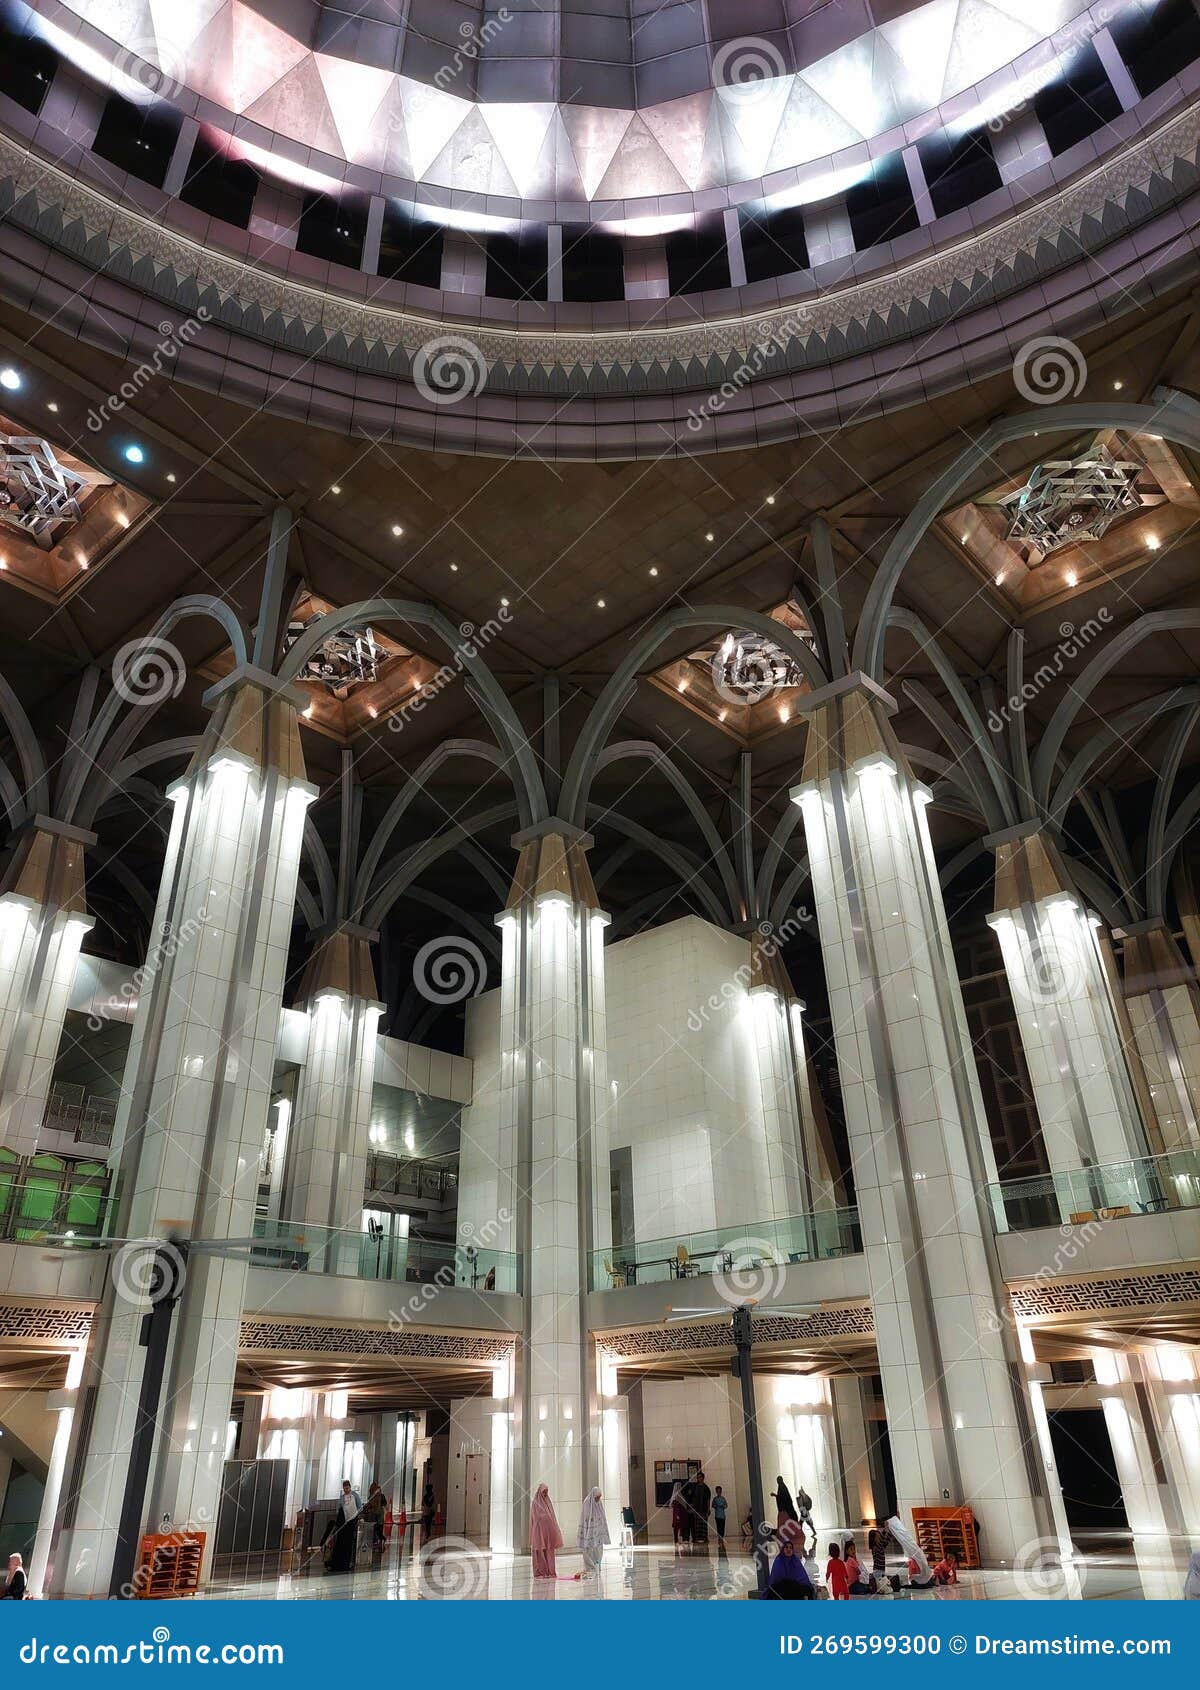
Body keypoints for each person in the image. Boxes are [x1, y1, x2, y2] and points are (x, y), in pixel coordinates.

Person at [322, 1480, 361, 1573]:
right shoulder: (342, 1498)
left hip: (351, 1524)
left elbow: (359, 1507)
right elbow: (339, 1509)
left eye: (347, 1488)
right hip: (343, 1524)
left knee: (348, 1544)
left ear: (350, 1487)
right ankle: (339, 1563)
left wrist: (356, 1516)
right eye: (344, 1488)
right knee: (341, 1544)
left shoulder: (355, 1496)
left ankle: (346, 1563)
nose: (346, 1490)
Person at [529, 1483, 563, 1579]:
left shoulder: (548, 1502)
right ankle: (540, 1572)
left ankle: (550, 1571)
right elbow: (535, 1518)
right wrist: (544, 1518)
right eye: (543, 1492)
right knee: (539, 1551)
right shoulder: (535, 1503)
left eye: (546, 1492)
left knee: (549, 1551)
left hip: (548, 1533)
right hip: (539, 1532)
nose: (545, 1494)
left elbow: (552, 1516)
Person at [577, 1486, 610, 1578]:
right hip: (588, 1530)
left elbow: (602, 1516)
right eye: (597, 1497)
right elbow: (586, 1518)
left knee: (598, 1549)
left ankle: (597, 1566)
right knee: (588, 1549)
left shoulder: (599, 1503)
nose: (598, 1499)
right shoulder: (587, 1502)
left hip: (598, 1531)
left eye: (599, 1497)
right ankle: (590, 1567)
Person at [685, 1469, 712, 1548]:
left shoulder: (706, 1488)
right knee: (696, 1525)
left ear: (703, 1478)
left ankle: (705, 1538)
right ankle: (697, 1538)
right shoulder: (695, 1487)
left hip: (704, 1509)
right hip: (696, 1509)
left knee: (704, 1524)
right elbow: (692, 1497)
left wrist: (708, 1509)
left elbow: (708, 1499)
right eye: (698, 1477)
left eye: (700, 1477)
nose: (699, 1479)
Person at [363, 1481, 387, 1558]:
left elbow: (370, 1504)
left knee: (374, 1528)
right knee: (379, 1528)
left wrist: (367, 1508)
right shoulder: (381, 1495)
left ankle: (377, 1540)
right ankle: (380, 1540)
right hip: (379, 1514)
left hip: (374, 1514)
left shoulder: (372, 1496)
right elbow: (384, 1504)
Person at [669, 1480, 689, 1550]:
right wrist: (678, 1515)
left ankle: (678, 1540)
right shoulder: (676, 1497)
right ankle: (676, 1540)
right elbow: (676, 1507)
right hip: (678, 1515)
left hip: (679, 1515)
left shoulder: (677, 1497)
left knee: (679, 1527)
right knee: (677, 1527)